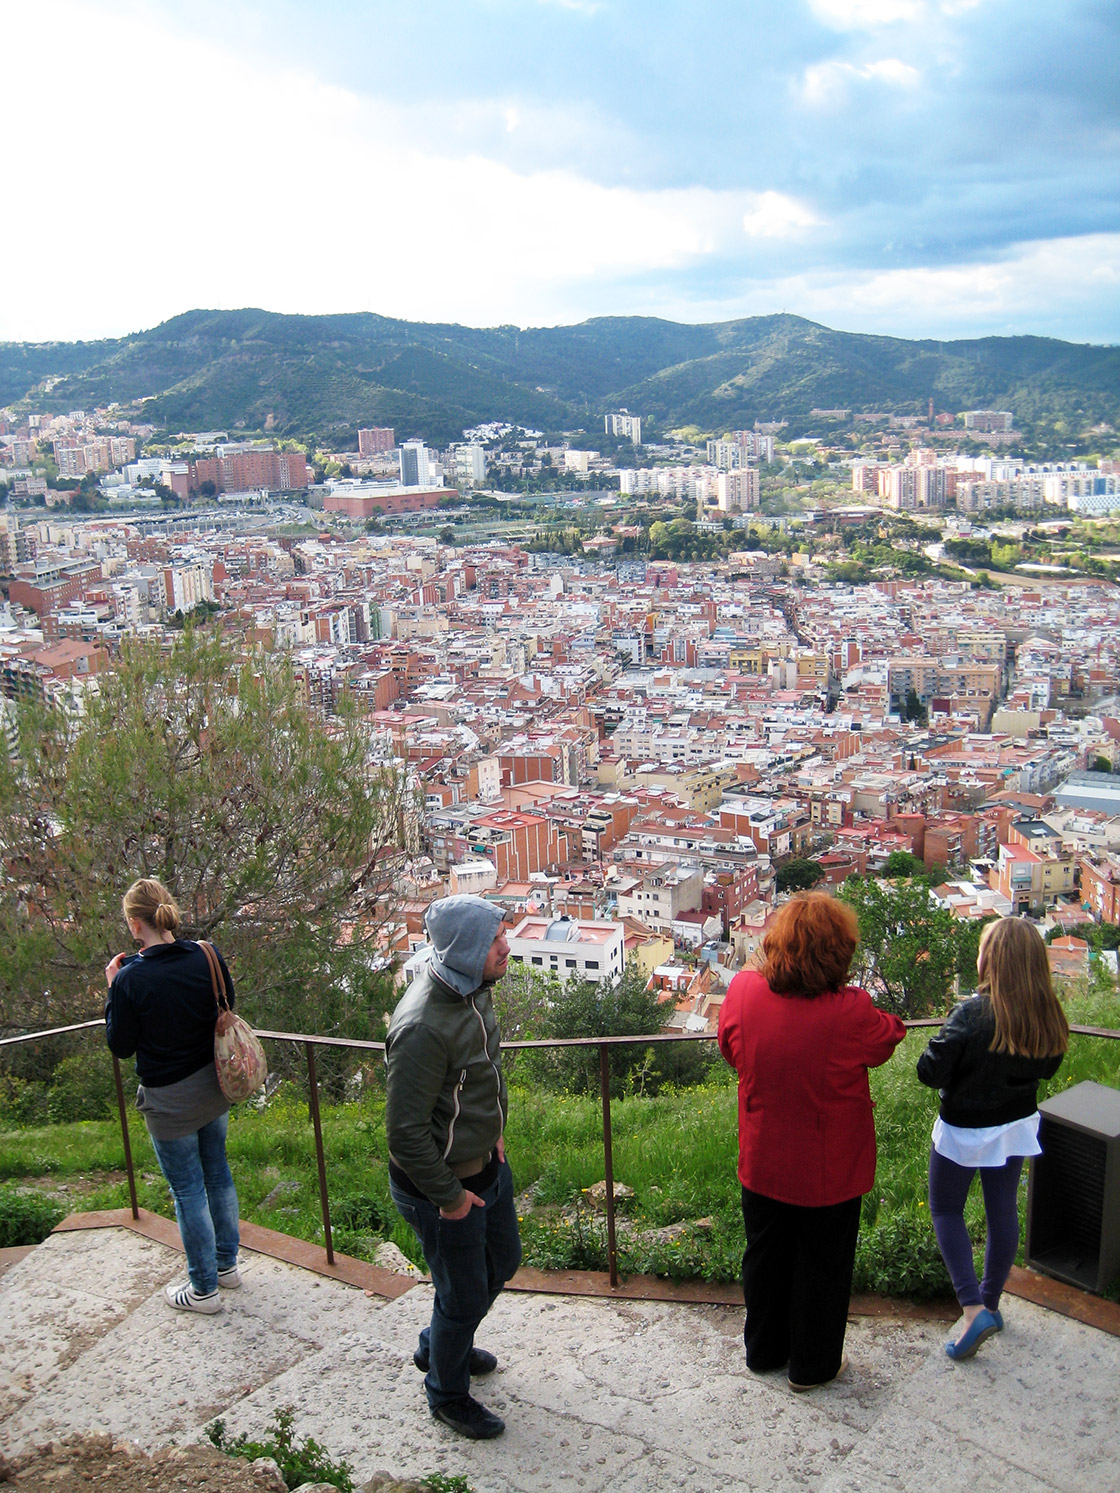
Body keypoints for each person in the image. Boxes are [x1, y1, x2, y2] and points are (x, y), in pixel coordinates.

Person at [717, 892, 906, 1392]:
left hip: (763, 1156)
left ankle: (763, 1351)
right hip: (829, 1167)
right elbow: (889, 1037)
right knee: (822, 1264)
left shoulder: (743, 992)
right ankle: (813, 1366)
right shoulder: (851, 1011)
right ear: (838, 953)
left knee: (765, 1254)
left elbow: (731, 1049)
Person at [386, 894, 522, 1440]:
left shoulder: (473, 991)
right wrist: (449, 1198)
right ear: (467, 947)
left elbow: (479, 1076)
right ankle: (446, 1392)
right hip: (442, 1186)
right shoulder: (422, 1025)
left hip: (485, 1162)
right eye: (495, 940)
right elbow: (405, 1133)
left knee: (502, 1262)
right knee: (462, 1293)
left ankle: (441, 1341)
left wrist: (495, 1134)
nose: (506, 948)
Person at [918, 916, 1067, 1361]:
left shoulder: (972, 1013)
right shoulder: (1045, 1013)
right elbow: (1048, 1067)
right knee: (1003, 1211)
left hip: (964, 1128)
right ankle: (992, 1302)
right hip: (1015, 1125)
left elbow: (930, 1072)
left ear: (991, 960)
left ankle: (970, 1308)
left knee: (946, 1209)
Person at [105, 877, 240, 1315]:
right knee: (218, 1174)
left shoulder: (130, 978)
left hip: (168, 1099)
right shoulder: (205, 953)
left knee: (187, 1190)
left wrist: (113, 989)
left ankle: (203, 1290)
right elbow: (227, 1004)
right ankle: (226, 1267)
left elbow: (120, 1045)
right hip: (212, 1085)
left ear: (133, 923)